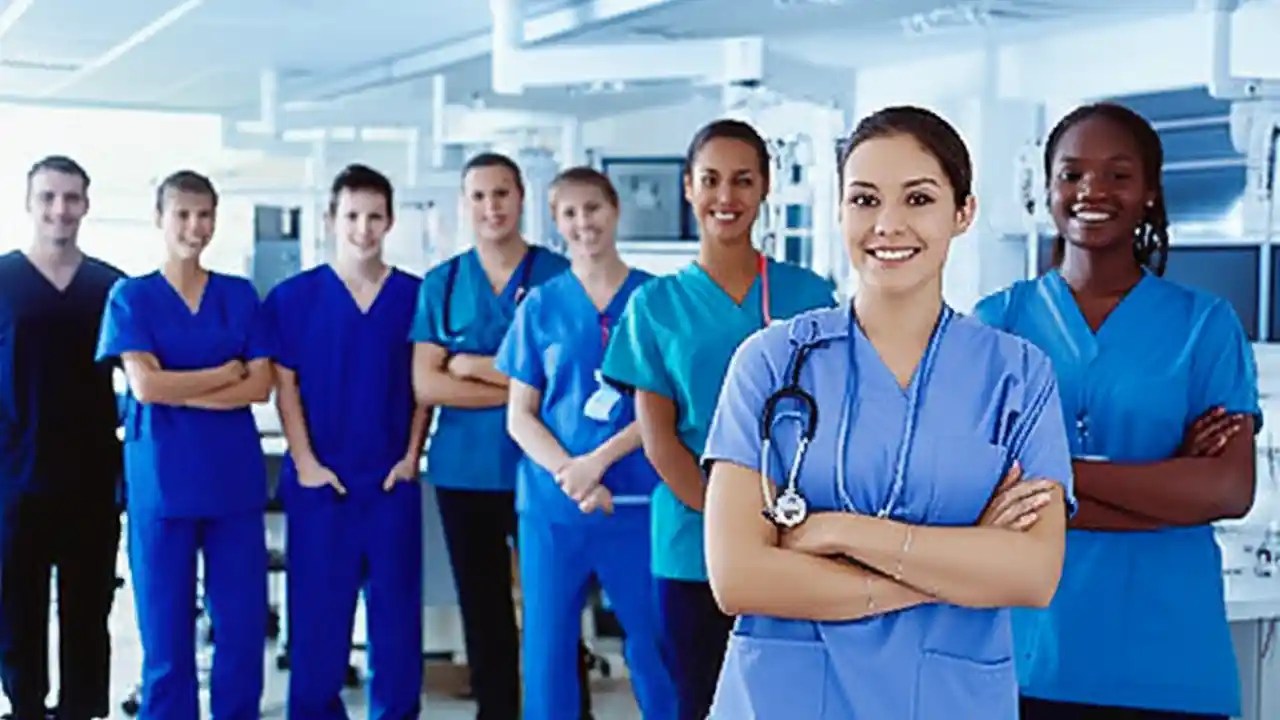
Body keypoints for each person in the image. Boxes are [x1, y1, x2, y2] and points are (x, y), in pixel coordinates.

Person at [698, 105, 1075, 719]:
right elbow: (738, 576)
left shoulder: (1017, 375)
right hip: (784, 698)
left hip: (948, 701)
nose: (888, 224)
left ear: (963, 213)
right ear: (840, 211)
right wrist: (959, 564)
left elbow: (1032, 574)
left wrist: (840, 532)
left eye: (918, 199)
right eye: (865, 199)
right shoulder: (771, 363)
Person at [974, 102, 1259, 720]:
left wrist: (1052, 480)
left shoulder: (1205, 325)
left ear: (1150, 192)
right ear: (1048, 189)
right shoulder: (998, 324)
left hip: (1172, 666)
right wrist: (1170, 485)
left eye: (1118, 174)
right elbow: (977, 491)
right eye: (1072, 174)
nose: (1092, 190)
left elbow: (1229, 489)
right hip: (1030, 659)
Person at [600, 118, 837, 720]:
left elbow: (835, 419)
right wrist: (733, 524)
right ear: (688, 187)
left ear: (765, 188)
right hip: (692, 544)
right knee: (699, 700)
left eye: (742, 180)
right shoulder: (655, 306)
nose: (725, 197)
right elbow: (659, 439)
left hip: (795, 538)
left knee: (787, 703)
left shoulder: (808, 296)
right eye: (710, 180)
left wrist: (778, 527)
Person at [494, 167, 677, 720]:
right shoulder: (541, 306)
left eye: (592, 208)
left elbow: (669, 407)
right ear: (556, 223)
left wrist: (595, 463)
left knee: (655, 645)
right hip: (553, 509)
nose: (583, 223)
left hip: (637, 503)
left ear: (615, 210)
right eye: (569, 213)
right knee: (547, 652)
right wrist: (571, 476)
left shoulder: (656, 300)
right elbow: (520, 415)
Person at [96, 171, 273, 720]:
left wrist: (178, 389)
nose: (194, 227)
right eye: (183, 214)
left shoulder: (238, 295)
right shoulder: (131, 297)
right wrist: (222, 374)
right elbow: (145, 387)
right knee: (165, 636)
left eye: (205, 215)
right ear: (160, 218)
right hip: (162, 485)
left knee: (241, 630)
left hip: (232, 486)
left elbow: (260, 386)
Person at [409, 152, 574, 719]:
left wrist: (473, 366)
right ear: (464, 205)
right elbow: (427, 384)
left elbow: (566, 379)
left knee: (554, 606)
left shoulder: (558, 277)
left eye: (501, 193)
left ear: (521, 197)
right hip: (465, 472)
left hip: (545, 468)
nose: (491, 207)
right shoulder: (444, 283)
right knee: (484, 611)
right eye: (478, 196)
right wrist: (520, 391)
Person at [262, 164, 429, 719]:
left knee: (397, 626)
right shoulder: (294, 298)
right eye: (352, 216)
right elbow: (284, 385)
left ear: (390, 221)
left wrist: (410, 458)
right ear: (331, 219)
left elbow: (424, 386)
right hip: (321, 486)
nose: (363, 229)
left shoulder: (414, 297)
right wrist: (306, 462)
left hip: (389, 484)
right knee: (316, 625)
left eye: (375, 217)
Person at [0, 156, 125, 720]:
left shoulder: (110, 286)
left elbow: (142, 373)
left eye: (71, 198)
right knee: (16, 604)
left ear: (86, 205)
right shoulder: (3, 281)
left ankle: (80, 709)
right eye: (48, 197)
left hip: (91, 475)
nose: (60, 209)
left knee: (88, 607)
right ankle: (24, 706)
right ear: (29, 203)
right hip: (14, 474)